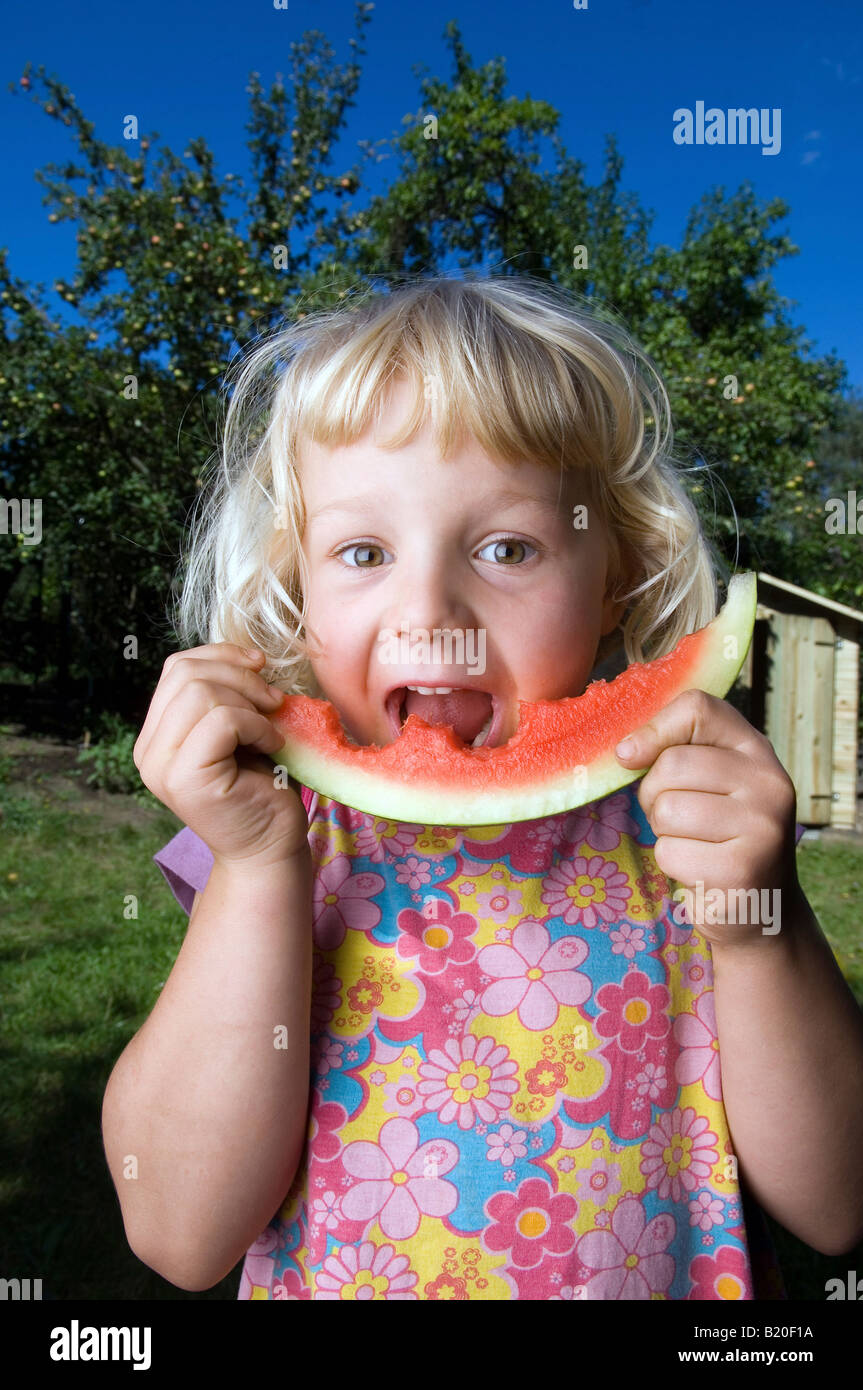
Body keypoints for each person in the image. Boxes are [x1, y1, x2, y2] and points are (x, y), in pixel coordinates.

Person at [102, 275, 863, 1300]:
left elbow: (836, 1200)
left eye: (507, 546)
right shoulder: (279, 838)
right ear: (298, 592)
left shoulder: (688, 836)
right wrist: (250, 873)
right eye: (361, 551)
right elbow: (177, 1229)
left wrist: (754, 923)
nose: (429, 606)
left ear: (617, 583)